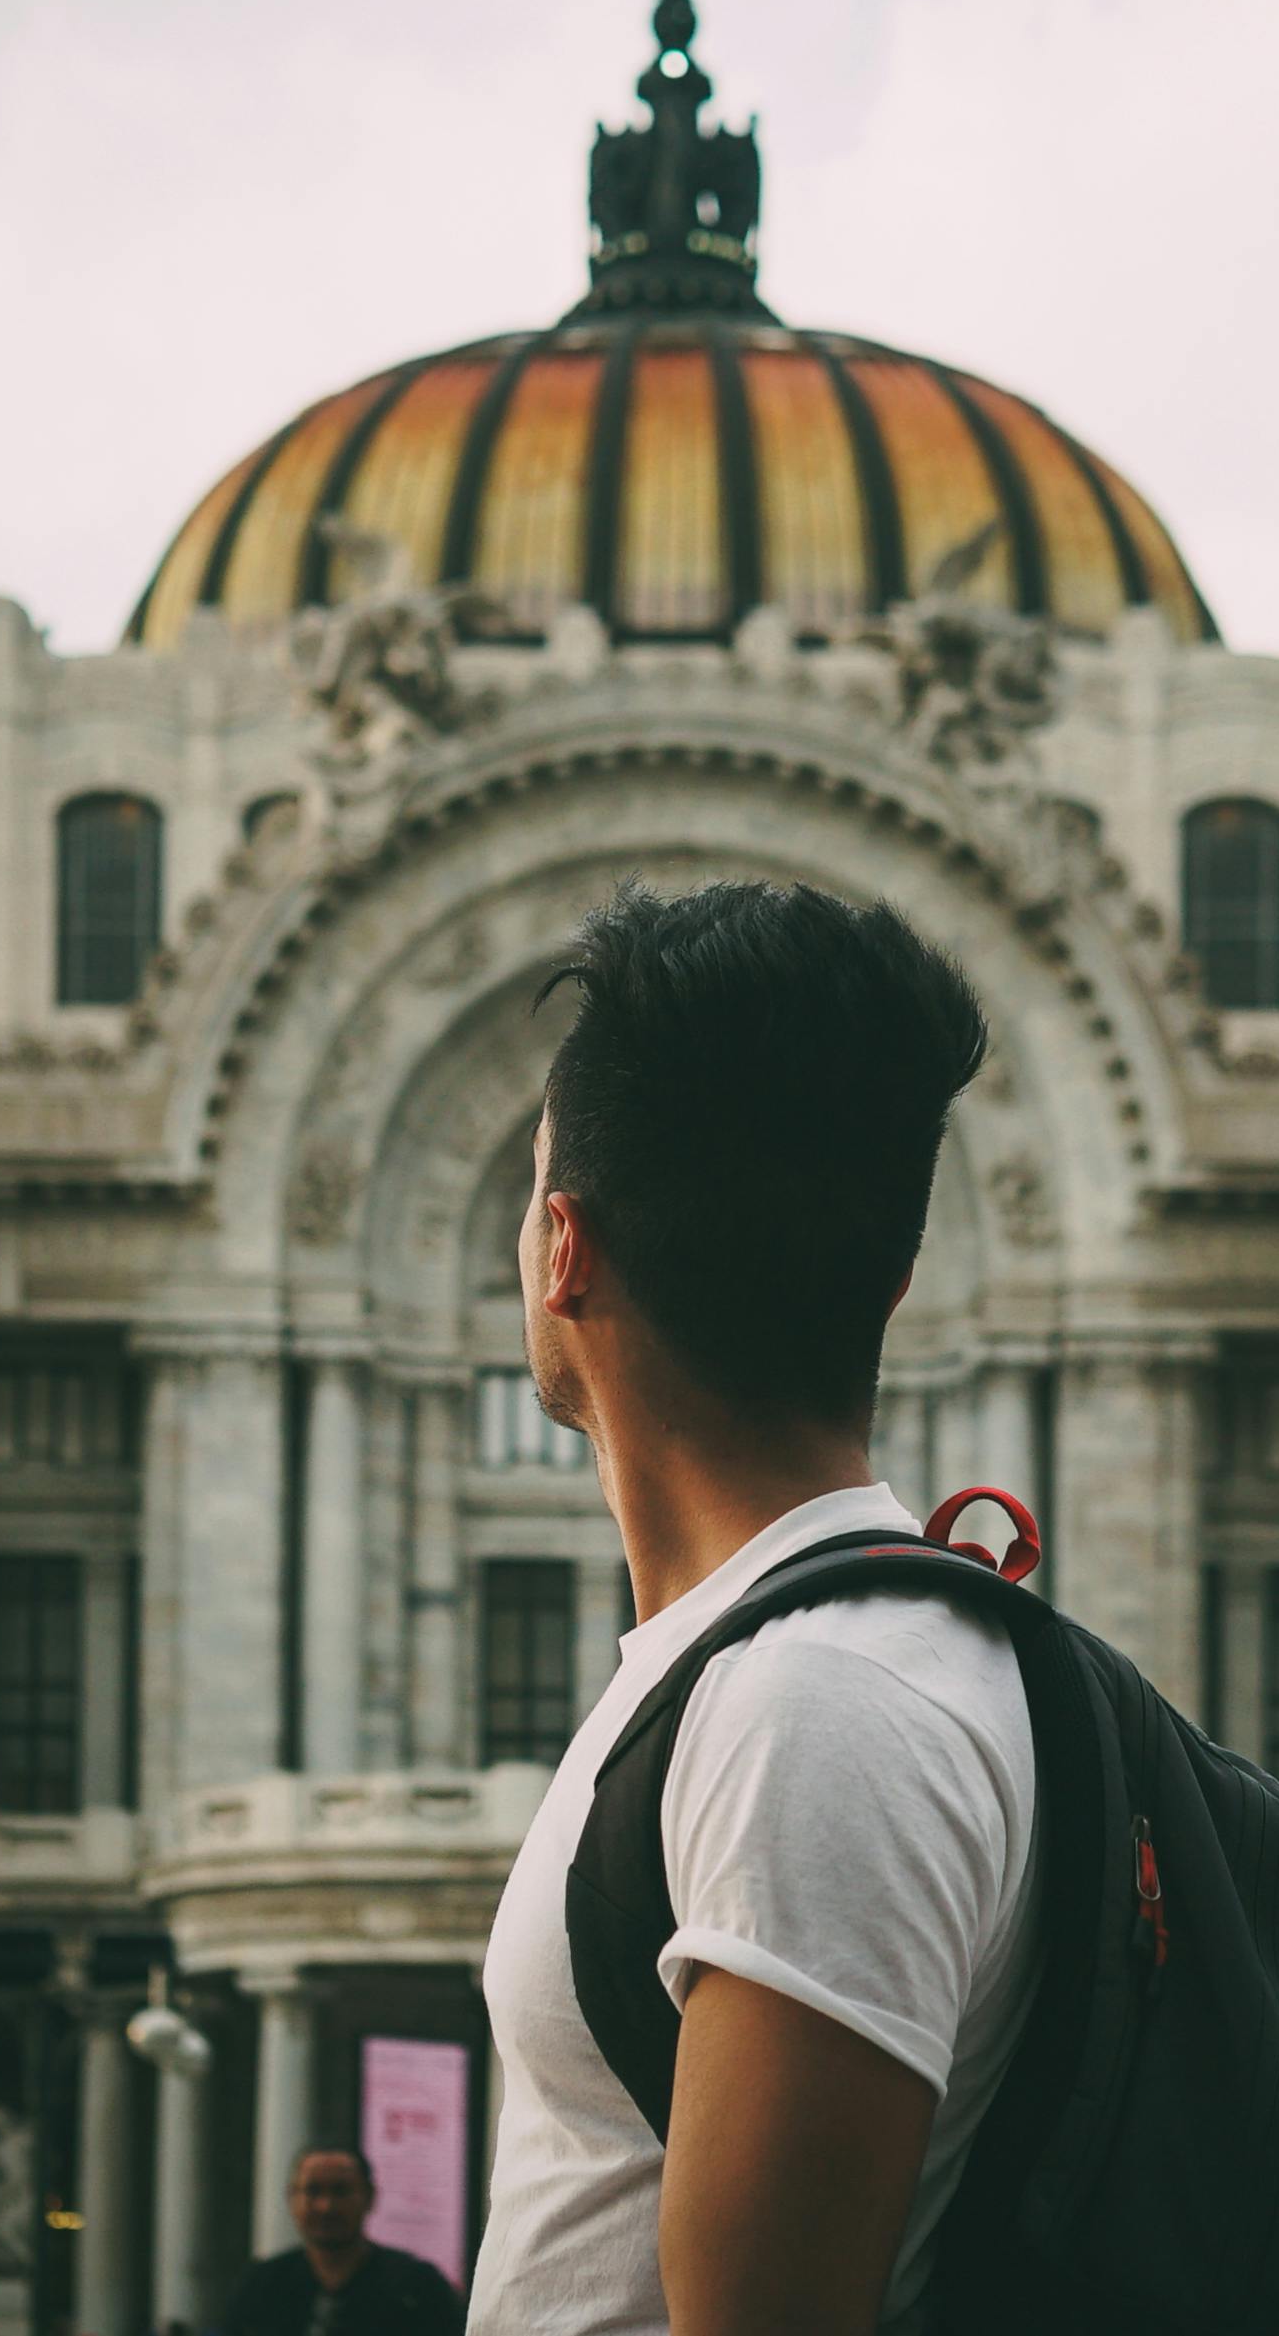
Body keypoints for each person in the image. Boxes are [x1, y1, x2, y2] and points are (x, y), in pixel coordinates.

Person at [467, 881, 1035, 2336]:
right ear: (895, 1280)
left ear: (561, 1250)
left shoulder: (819, 1709)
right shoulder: (774, 1675)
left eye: (535, 1195)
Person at [221, 2148, 464, 2336]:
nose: (326, 2207)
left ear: (369, 2197)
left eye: (341, 2191)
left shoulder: (417, 2287)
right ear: (292, 2198)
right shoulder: (262, 2286)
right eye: (313, 2191)